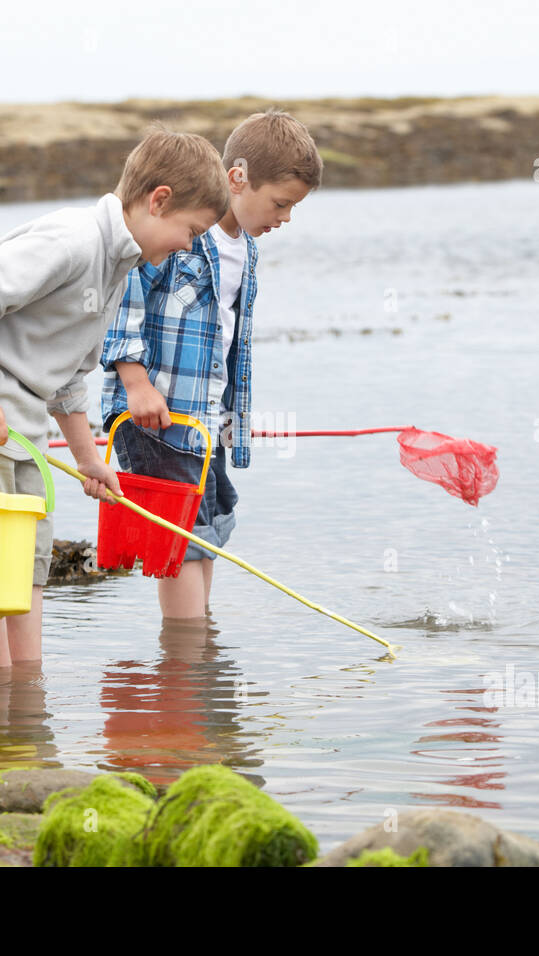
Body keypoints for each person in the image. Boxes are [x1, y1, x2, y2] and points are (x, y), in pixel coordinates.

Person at [0, 127, 229, 667]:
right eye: (190, 230)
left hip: (25, 423)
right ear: (159, 200)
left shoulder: (120, 269)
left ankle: (27, 687)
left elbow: (71, 378)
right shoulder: (74, 241)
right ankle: (0, 682)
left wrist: (87, 459)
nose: (189, 245)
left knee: (29, 559)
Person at [100, 109, 323, 620]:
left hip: (205, 424)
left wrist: (229, 417)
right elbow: (123, 299)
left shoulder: (246, 249)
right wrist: (134, 382)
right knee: (182, 540)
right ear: (237, 178)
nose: (284, 218)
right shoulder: (179, 236)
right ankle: (186, 652)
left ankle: (200, 653)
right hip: (157, 417)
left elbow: (229, 340)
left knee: (212, 523)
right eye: (280, 203)